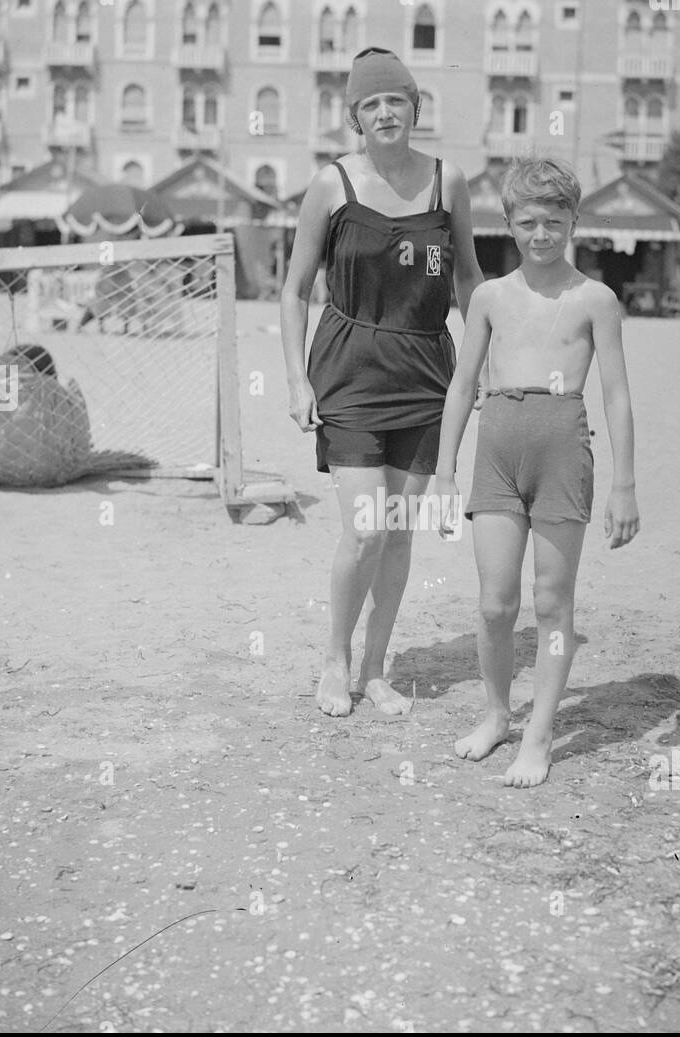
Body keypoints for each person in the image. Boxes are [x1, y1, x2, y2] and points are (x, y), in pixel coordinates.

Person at [280, 47, 485, 717]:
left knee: (399, 532)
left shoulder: (447, 182)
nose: (385, 112)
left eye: (396, 99)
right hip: (348, 370)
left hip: (426, 372)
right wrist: (294, 380)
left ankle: (375, 669)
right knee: (365, 529)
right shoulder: (331, 185)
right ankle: (335, 661)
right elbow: (293, 291)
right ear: (354, 117)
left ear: (415, 106)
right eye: (371, 103)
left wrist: (487, 360)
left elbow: (468, 282)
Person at [435, 158, 640, 788]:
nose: (543, 234)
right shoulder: (490, 297)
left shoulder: (595, 299)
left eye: (555, 221)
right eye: (529, 222)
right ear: (509, 224)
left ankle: (540, 735)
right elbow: (463, 384)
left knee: (552, 603)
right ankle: (496, 714)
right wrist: (444, 473)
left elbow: (616, 395)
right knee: (496, 603)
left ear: (575, 220)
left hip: (562, 452)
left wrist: (624, 485)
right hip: (497, 449)